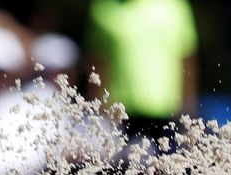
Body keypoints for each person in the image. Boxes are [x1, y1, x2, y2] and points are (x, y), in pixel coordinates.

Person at [84, 0, 196, 142]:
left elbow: (187, 61)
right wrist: (100, 111)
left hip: (167, 113)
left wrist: (187, 110)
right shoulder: (103, 8)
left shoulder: (175, 7)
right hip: (120, 114)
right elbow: (97, 64)